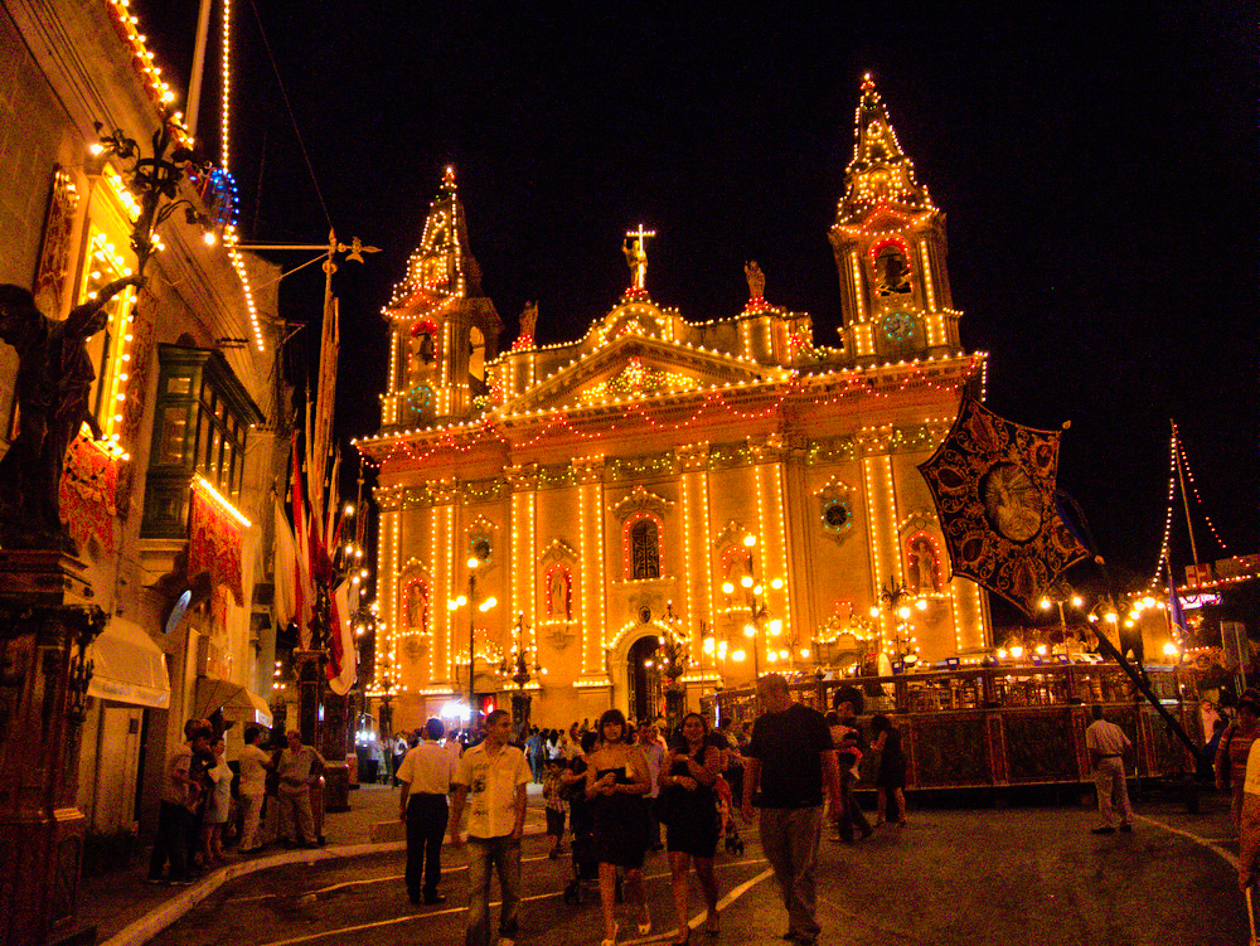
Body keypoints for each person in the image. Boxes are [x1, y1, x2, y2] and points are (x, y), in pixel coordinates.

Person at [741, 674, 840, 946]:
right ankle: (798, 920)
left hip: (805, 804)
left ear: (777, 692)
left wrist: (836, 797)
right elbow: (753, 764)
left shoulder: (811, 719)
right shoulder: (762, 724)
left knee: (804, 867)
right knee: (781, 867)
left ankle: (805, 929)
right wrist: (746, 798)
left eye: (762, 696)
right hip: (772, 805)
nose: (760, 702)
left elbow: (829, 760)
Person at [450, 709, 530, 946]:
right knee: (477, 892)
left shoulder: (516, 756)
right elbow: (460, 792)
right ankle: (477, 939)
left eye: (509, 725)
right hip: (478, 833)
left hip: (507, 832)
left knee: (511, 890)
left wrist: (519, 826)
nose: (509, 730)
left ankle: (507, 932)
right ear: (490, 728)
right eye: (504, 725)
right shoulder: (471, 756)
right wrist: (454, 827)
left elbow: (523, 794)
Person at [584, 709, 652, 946]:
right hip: (605, 817)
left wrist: (621, 787)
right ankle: (609, 925)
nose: (612, 729)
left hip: (631, 816)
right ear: (601, 729)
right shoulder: (595, 758)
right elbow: (588, 792)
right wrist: (601, 783)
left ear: (623, 728)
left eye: (616, 725)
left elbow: (646, 786)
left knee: (633, 872)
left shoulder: (633, 753)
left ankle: (642, 906)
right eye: (607, 725)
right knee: (606, 870)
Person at [659, 712, 722, 943]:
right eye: (689, 726)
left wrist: (686, 762)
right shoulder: (672, 752)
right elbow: (661, 778)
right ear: (682, 730)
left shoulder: (711, 752)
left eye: (697, 725)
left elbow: (707, 778)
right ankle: (682, 926)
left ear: (704, 729)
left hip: (702, 815)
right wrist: (678, 780)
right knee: (678, 868)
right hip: (678, 815)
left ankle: (713, 910)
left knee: (705, 870)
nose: (693, 729)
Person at [398, 718, 458, 905]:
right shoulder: (446, 756)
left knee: (414, 850)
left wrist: (402, 807)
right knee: (434, 850)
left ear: (425, 733)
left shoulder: (414, 754)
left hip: (418, 804)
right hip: (439, 805)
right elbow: (454, 783)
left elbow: (405, 783)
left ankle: (413, 891)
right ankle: (430, 890)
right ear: (441, 734)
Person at [147, 721, 206, 884]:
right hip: (175, 799)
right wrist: (193, 783)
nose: (205, 746)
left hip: (167, 796)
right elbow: (177, 774)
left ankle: (155, 873)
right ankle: (178, 874)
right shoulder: (186, 752)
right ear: (199, 739)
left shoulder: (179, 748)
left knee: (163, 836)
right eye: (205, 742)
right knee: (177, 838)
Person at [1216, 689, 1260, 832]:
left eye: (1249, 714)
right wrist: (1219, 777)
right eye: (1241, 714)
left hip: (1257, 782)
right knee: (1241, 812)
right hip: (1239, 782)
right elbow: (1220, 755)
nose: (1245, 718)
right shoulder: (1231, 732)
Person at [826, 703, 871, 843]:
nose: (839, 714)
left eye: (841, 711)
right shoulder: (850, 727)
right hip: (851, 762)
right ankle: (864, 827)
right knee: (846, 796)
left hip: (845, 763)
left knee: (842, 797)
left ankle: (846, 833)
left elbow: (852, 742)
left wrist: (833, 747)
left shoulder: (848, 728)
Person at [1085, 705, 1133, 834]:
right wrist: (1123, 760)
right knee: (1122, 791)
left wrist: (1094, 766)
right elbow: (1129, 746)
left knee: (1104, 794)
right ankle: (1126, 821)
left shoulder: (1092, 729)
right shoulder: (1115, 727)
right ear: (1103, 714)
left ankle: (1108, 824)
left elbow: (1093, 750)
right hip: (1118, 759)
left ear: (1092, 715)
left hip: (1103, 761)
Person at [275, 730, 325, 847]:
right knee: (287, 816)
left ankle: (310, 839)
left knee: (306, 814)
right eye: (288, 739)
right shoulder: (285, 754)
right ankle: (291, 839)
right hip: (286, 787)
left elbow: (321, 762)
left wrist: (314, 777)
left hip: (301, 787)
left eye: (292, 739)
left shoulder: (308, 751)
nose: (289, 742)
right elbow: (280, 770)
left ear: (298, 739)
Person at [237, 726, 272, 853]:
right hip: (255, 788)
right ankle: (245, 845)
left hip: (244, 787)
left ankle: (257, 842)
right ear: (255, 738)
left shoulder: (242, 751)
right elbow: (270, 763)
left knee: (249, 816)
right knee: (253, 818)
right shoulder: (255, 751)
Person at [869, 714, 908, 827]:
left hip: (887, 762)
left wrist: (872, 746)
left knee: (881, 790)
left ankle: (881, 817)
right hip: (898, 761)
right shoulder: (897, 732)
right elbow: (901, 747)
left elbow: (879, 748)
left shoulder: (883, 733)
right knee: (897, 789)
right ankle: (903, 816)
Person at [201, 736, 233, 864]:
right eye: (220, 745)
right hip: (216, 796)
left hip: (224, 795)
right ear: (213, 747)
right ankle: (207, 852)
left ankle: (217, 849)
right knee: (210, 827)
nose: (222, 747)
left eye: (223, 745)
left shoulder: (222, 760)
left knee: (219, 826)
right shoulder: (211, 761)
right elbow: (213, 778)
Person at [637, 721, 666, 852]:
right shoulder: (634, 750)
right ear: (639, 733)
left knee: (653, 814)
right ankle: (650, 840)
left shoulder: (658, 748)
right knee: (645, 815)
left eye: (649, 731)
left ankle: (655, 840)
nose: (648, 734)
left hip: (655, 787)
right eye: (644, 731)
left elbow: (663, 767)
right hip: (640, 787)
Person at [542, 756, 569, 858]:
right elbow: (544, 794)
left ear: (560, 768)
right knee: (552, 827)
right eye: (551, 767)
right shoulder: (549, 779)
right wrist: (545, 791)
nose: (552, 769)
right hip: (551, 807)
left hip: (561, 807)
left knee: (560, 827)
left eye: (554, 767)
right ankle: (552, 849)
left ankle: (558, 844)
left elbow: (567, 791)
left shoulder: (564, 779)